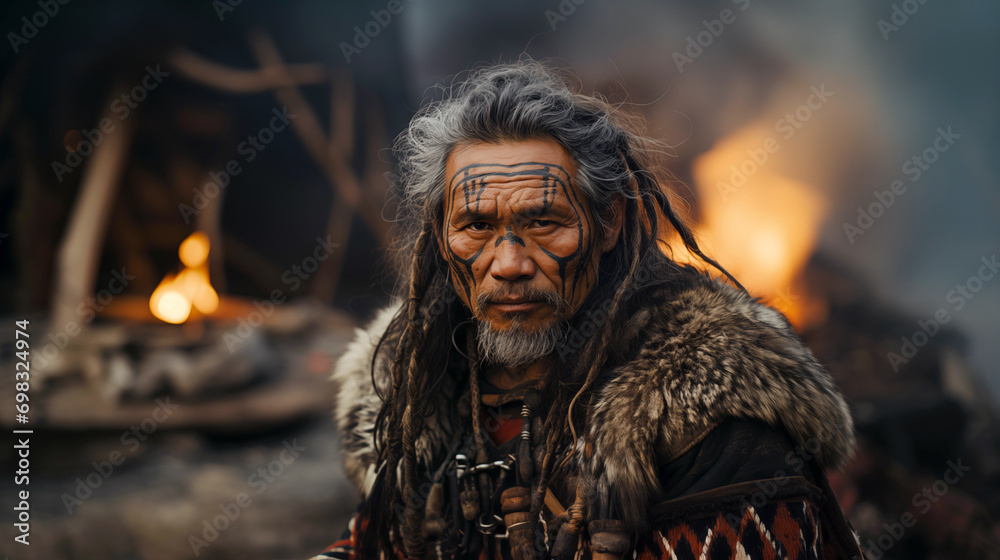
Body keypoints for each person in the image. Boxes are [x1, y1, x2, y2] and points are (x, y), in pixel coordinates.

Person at [310, 61, 863, 560]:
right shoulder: (418, 385)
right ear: (440, 233)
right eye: (476, 226)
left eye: (543, 222)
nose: (507, 264)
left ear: (607, 224)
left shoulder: (716, 421)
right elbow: (371, 543)